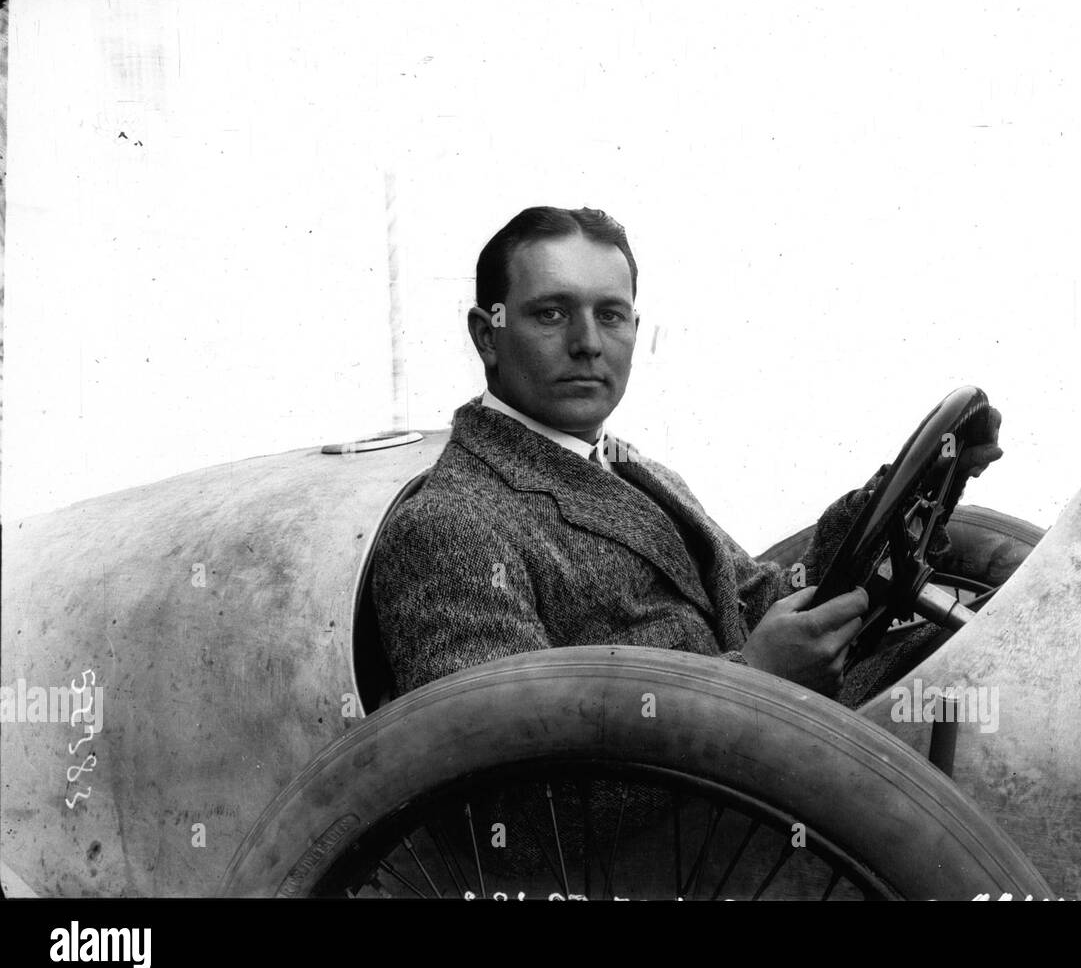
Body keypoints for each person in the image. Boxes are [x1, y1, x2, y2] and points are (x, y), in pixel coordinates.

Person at [370, 206, 1001, 701]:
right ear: (488, 336)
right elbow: (506, 777)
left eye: (610, 315)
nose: (588, 342)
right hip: (719, 811)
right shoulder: (450, 524)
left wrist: (915, 490)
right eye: (552, 313)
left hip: (772, 762)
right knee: (998, 670)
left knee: (1012, 625)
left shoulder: (634, 471)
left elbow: (758, 598)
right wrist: (752, 681)